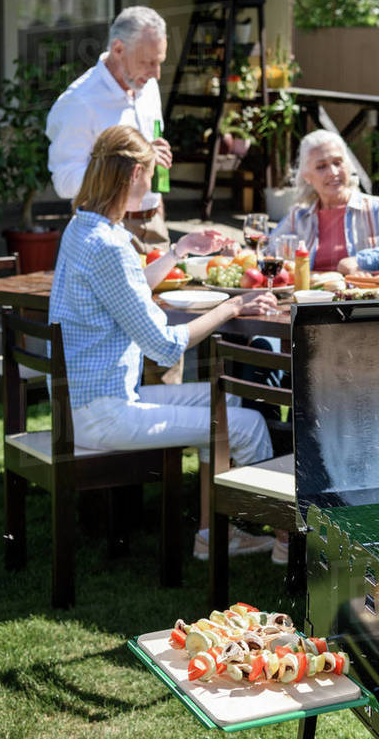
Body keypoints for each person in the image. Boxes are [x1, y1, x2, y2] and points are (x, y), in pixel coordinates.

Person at [48, 125, 280, 561]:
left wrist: (178, 251)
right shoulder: (109, 245)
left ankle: (216, 536)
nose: (152, 184)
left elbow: (126, 288)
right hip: (104, 415)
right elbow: (164, 346)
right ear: (136, 172)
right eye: (151, 174)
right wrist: (232, 308)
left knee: (230, 408)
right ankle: (273, 532)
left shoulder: (84, 229)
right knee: (247, 426)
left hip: (89, 404)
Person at [47, 6, 180, 384]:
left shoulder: (148, 87)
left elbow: (148, 150)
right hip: (108, 233)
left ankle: (166, 437)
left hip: (153, 222)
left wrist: (157, 158)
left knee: (165, 327)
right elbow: (65, 181)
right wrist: (121, 169)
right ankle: (128, 429)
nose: (156, 73)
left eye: (160, 62)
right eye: (149, 62)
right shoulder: (79, 101)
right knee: (124, 343)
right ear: (118, 49)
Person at [268, 130, 379, 271]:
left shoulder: (377, 209)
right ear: (307, 176)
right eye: (321, 166)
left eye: (337, 162)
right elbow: (266, 250)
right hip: (311, 292)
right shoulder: (298, 216)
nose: (333, 172)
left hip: (367, 291)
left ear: (348, 166)